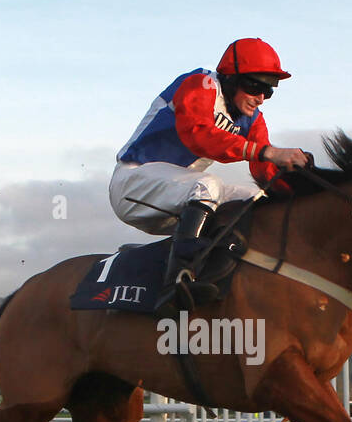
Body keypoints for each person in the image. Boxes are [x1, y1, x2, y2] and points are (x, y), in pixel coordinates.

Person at [110, 38, 311, 305]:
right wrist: (269, 152)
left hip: (176, 197)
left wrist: (300, 186)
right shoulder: (200, 84)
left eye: (269, 90)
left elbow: (264, 169)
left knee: (254, 200)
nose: (261, 98)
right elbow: (199, 135)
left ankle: (221, 280)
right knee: (207, 185)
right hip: (134, 184)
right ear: (229, 78)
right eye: (255, 85)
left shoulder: (253, 119)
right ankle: (176, 286)